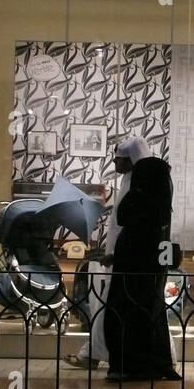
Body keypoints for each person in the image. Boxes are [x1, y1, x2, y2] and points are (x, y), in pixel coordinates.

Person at [62, 135, 153, 371]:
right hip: (121, 256)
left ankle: (93, 354)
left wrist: (116, 254)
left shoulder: (137, 186)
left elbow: (131, 227)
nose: (114, 163)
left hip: (126, 258)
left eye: (119, 159)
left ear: (131, 160)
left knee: (111, 306)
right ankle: (94, 354)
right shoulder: (131, 182)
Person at [106, 152, 180, 381]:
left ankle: (134, 365)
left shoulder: (138, 198)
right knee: (147, 314)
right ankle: (150, 364)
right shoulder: (157, 204)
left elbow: (124, 219)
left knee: (133, 313)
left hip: (137, 268)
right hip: (149, 270)